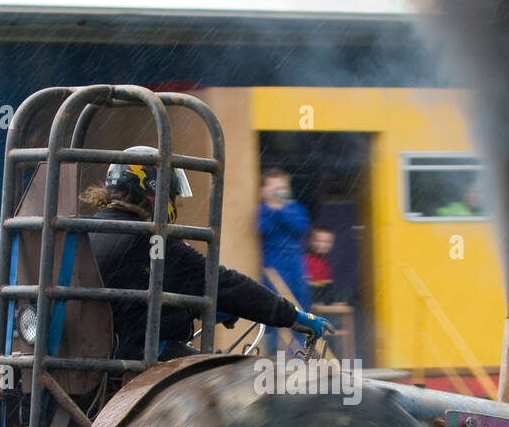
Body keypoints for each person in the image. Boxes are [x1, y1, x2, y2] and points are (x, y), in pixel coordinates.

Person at [82, 147, 331, 363]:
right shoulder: (151, 239)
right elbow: (224, 283)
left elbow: (132, 295)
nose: (176, 202)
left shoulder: (91, 230)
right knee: (230, 385)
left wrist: (196, 309)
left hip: (97, 351)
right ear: (154, 190)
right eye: (173, 194)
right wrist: (292, 316)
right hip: (139, 351)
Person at [258, 169, 311, 308]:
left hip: (295, 257)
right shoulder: (262, 209)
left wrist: (280, 210)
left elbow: (299, 229)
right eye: (274, 188)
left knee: (300, 295)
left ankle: (300, 328)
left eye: (282, 188)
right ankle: (273, 330)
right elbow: (264, 230)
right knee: (275, 296)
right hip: (272, 257)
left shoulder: (295, 208)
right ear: (263, 191)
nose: (278, 192)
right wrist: (272, 210)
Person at [305, 226, 336, 305]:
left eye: (328, 242)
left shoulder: (325, 263)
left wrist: (331, 301)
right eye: (318, 241)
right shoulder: (305, 260)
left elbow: (326, 287)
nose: (323, 245)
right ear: (310, 241)